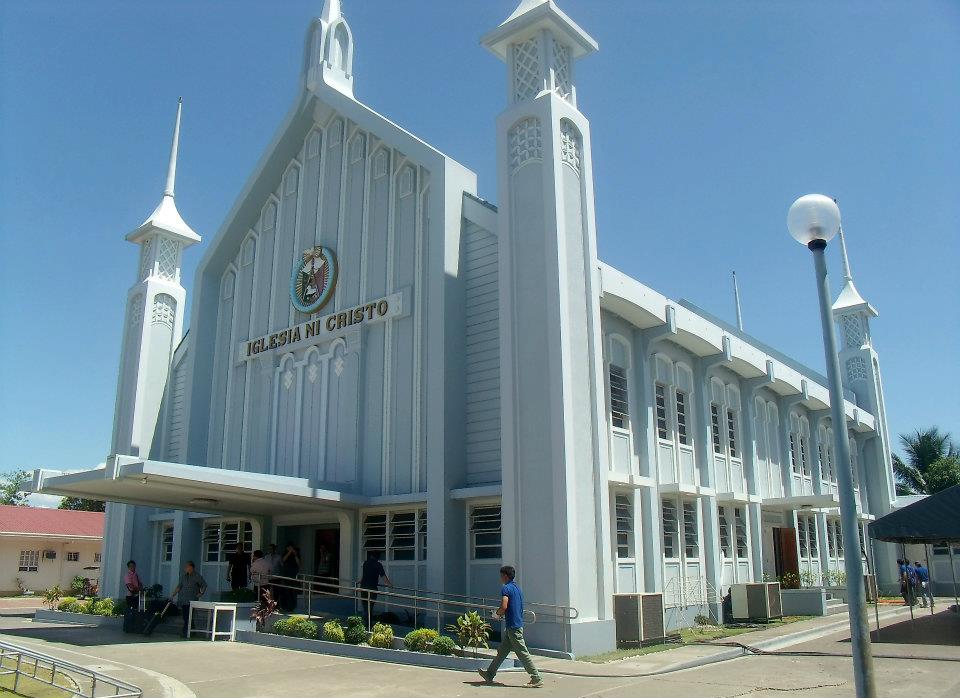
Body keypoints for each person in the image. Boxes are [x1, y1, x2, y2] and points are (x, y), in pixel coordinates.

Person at [478, 565, 542, 689]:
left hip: (513, 627)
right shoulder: (517, 588)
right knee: (502, 652)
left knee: (523, 653)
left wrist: (497, 615)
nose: (500, 578)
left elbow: (504, 605)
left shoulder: (506, 588)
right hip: (515, 625)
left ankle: (536, 678)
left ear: (505, 576)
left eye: (501, 575)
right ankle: (489, 674)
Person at [170, 561, 207, 638]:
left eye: (186, 567)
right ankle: (192, 631)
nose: (185, 568)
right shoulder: (184, 577)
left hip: (192, 600)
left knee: (188, 617)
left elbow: (204, 585)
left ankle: (185, 632)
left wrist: (201, 593)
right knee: (185, 617)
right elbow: (179, 586)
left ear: (191, 567)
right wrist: (173, 594)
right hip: (184, 600)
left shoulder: (197, 576)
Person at [359, 551, 392, 622]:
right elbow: (383, 576)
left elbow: (364, 575)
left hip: (363, 586)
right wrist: (389, 585)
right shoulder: (378, 565)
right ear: (378, 557)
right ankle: (368, 623)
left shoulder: (365, 563)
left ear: (371, 556)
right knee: (370, 606)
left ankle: (366, 622)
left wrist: (360, 581)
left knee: (365, 606)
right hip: (372, 588)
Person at [279, 543, 301, 611]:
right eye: (289, 548)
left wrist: (295, 554)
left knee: (293, 591)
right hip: (286, 574)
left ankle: (292, 606)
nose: (291, 549)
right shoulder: (285, 553)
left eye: (291, 548)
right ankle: (285, 606)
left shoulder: (296, 554)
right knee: (286, 590)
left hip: (293, 574)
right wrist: (289, 552)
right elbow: (283, 560)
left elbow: (299, 563)